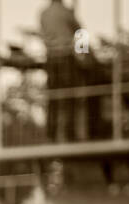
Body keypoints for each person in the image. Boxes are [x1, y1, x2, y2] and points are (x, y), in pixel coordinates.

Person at [39, 0, 82, 142]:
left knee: (53, 97)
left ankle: (51, 133)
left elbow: (43, 34)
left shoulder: (43, 14)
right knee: (69, 95)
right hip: (66, 58)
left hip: (51, 58)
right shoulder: (66, 12)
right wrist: (83, 53)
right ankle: (70, 133)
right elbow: (80, 31)